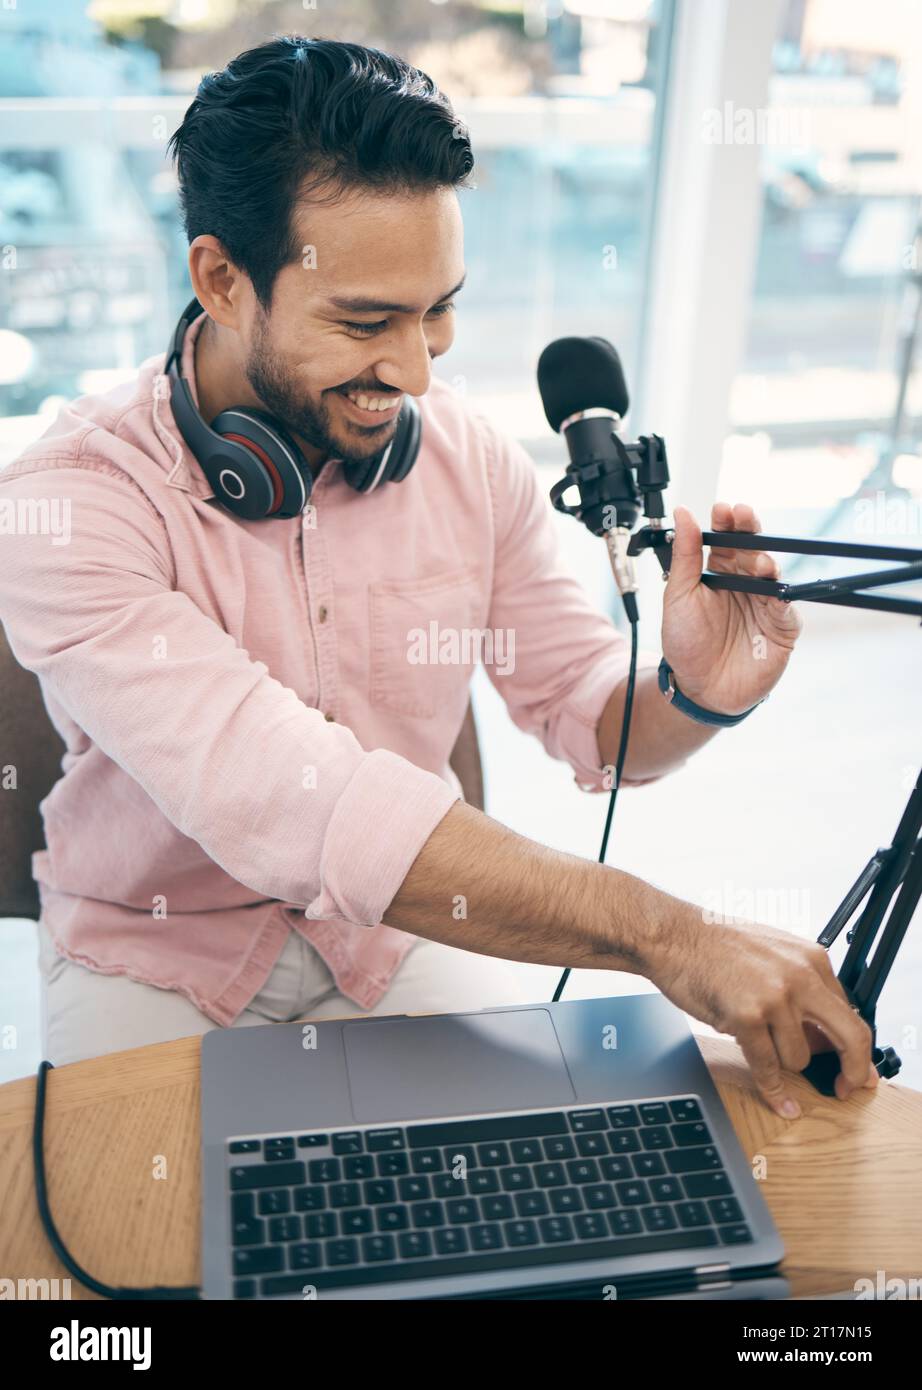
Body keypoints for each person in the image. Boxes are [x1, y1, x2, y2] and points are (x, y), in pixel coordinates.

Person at [0, 37, 877, 1118]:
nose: (415, 374)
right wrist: (667, 934)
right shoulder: (72, 502)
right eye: (366, 322)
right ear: (223, 280)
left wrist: (695, 690)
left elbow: (591, 717)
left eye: (438, 311)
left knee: (522, 1216)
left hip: (398, 941)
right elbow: (296, 799)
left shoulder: (466, 458)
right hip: (153, 953)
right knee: (150, 1250)